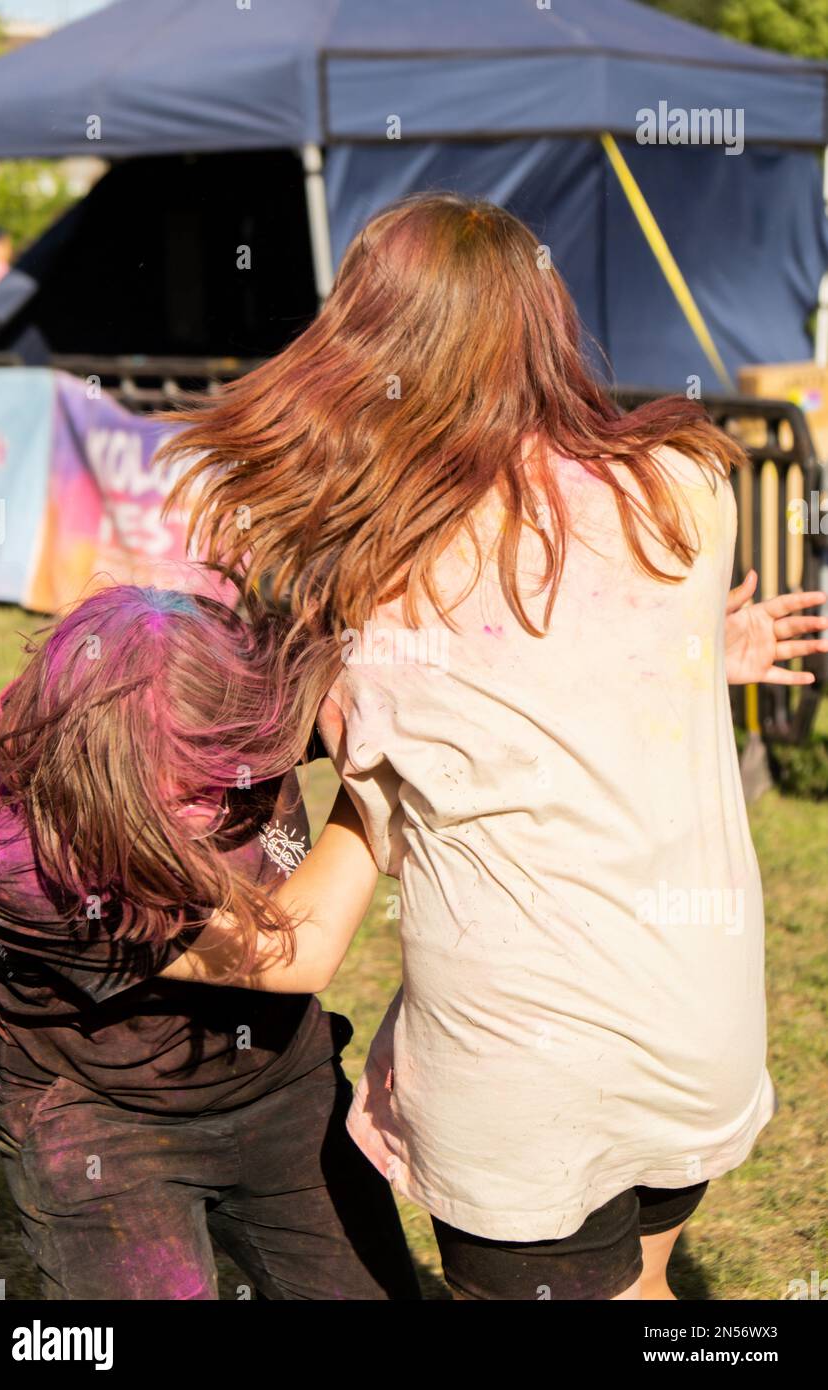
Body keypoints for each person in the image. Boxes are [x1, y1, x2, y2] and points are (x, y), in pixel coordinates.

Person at [161, 192, 828, 1301]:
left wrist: (89, 937)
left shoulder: (375, 586)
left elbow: (329, 889)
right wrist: (697, 652)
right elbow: (564, 637)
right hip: (694, 1031)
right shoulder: (689, 487)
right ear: (547, 319)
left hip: (524, 1096)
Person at [0, 584, 419, 1301]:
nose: (217, 803)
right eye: (180, 790)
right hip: (101, 1119)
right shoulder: (22, 857)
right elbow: (293, 951)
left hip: (280, 1082)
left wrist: (360, 701)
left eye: (227, 768)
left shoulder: (237, 695)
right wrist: (376, 796)